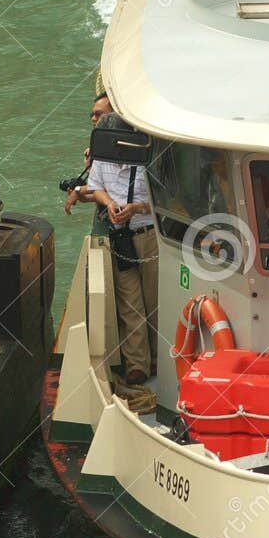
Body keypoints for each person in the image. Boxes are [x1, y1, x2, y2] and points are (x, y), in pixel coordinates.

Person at [86, 113, 158, 385]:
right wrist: (109, 204)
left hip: (147, 235)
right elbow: (95, 187)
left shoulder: (147, 160)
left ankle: (158, 358)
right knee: (130, 303)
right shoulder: (102, 158)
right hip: (120, 237)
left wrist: (137, 208)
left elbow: (166, 202)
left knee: (154, 299)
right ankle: (137, 364)